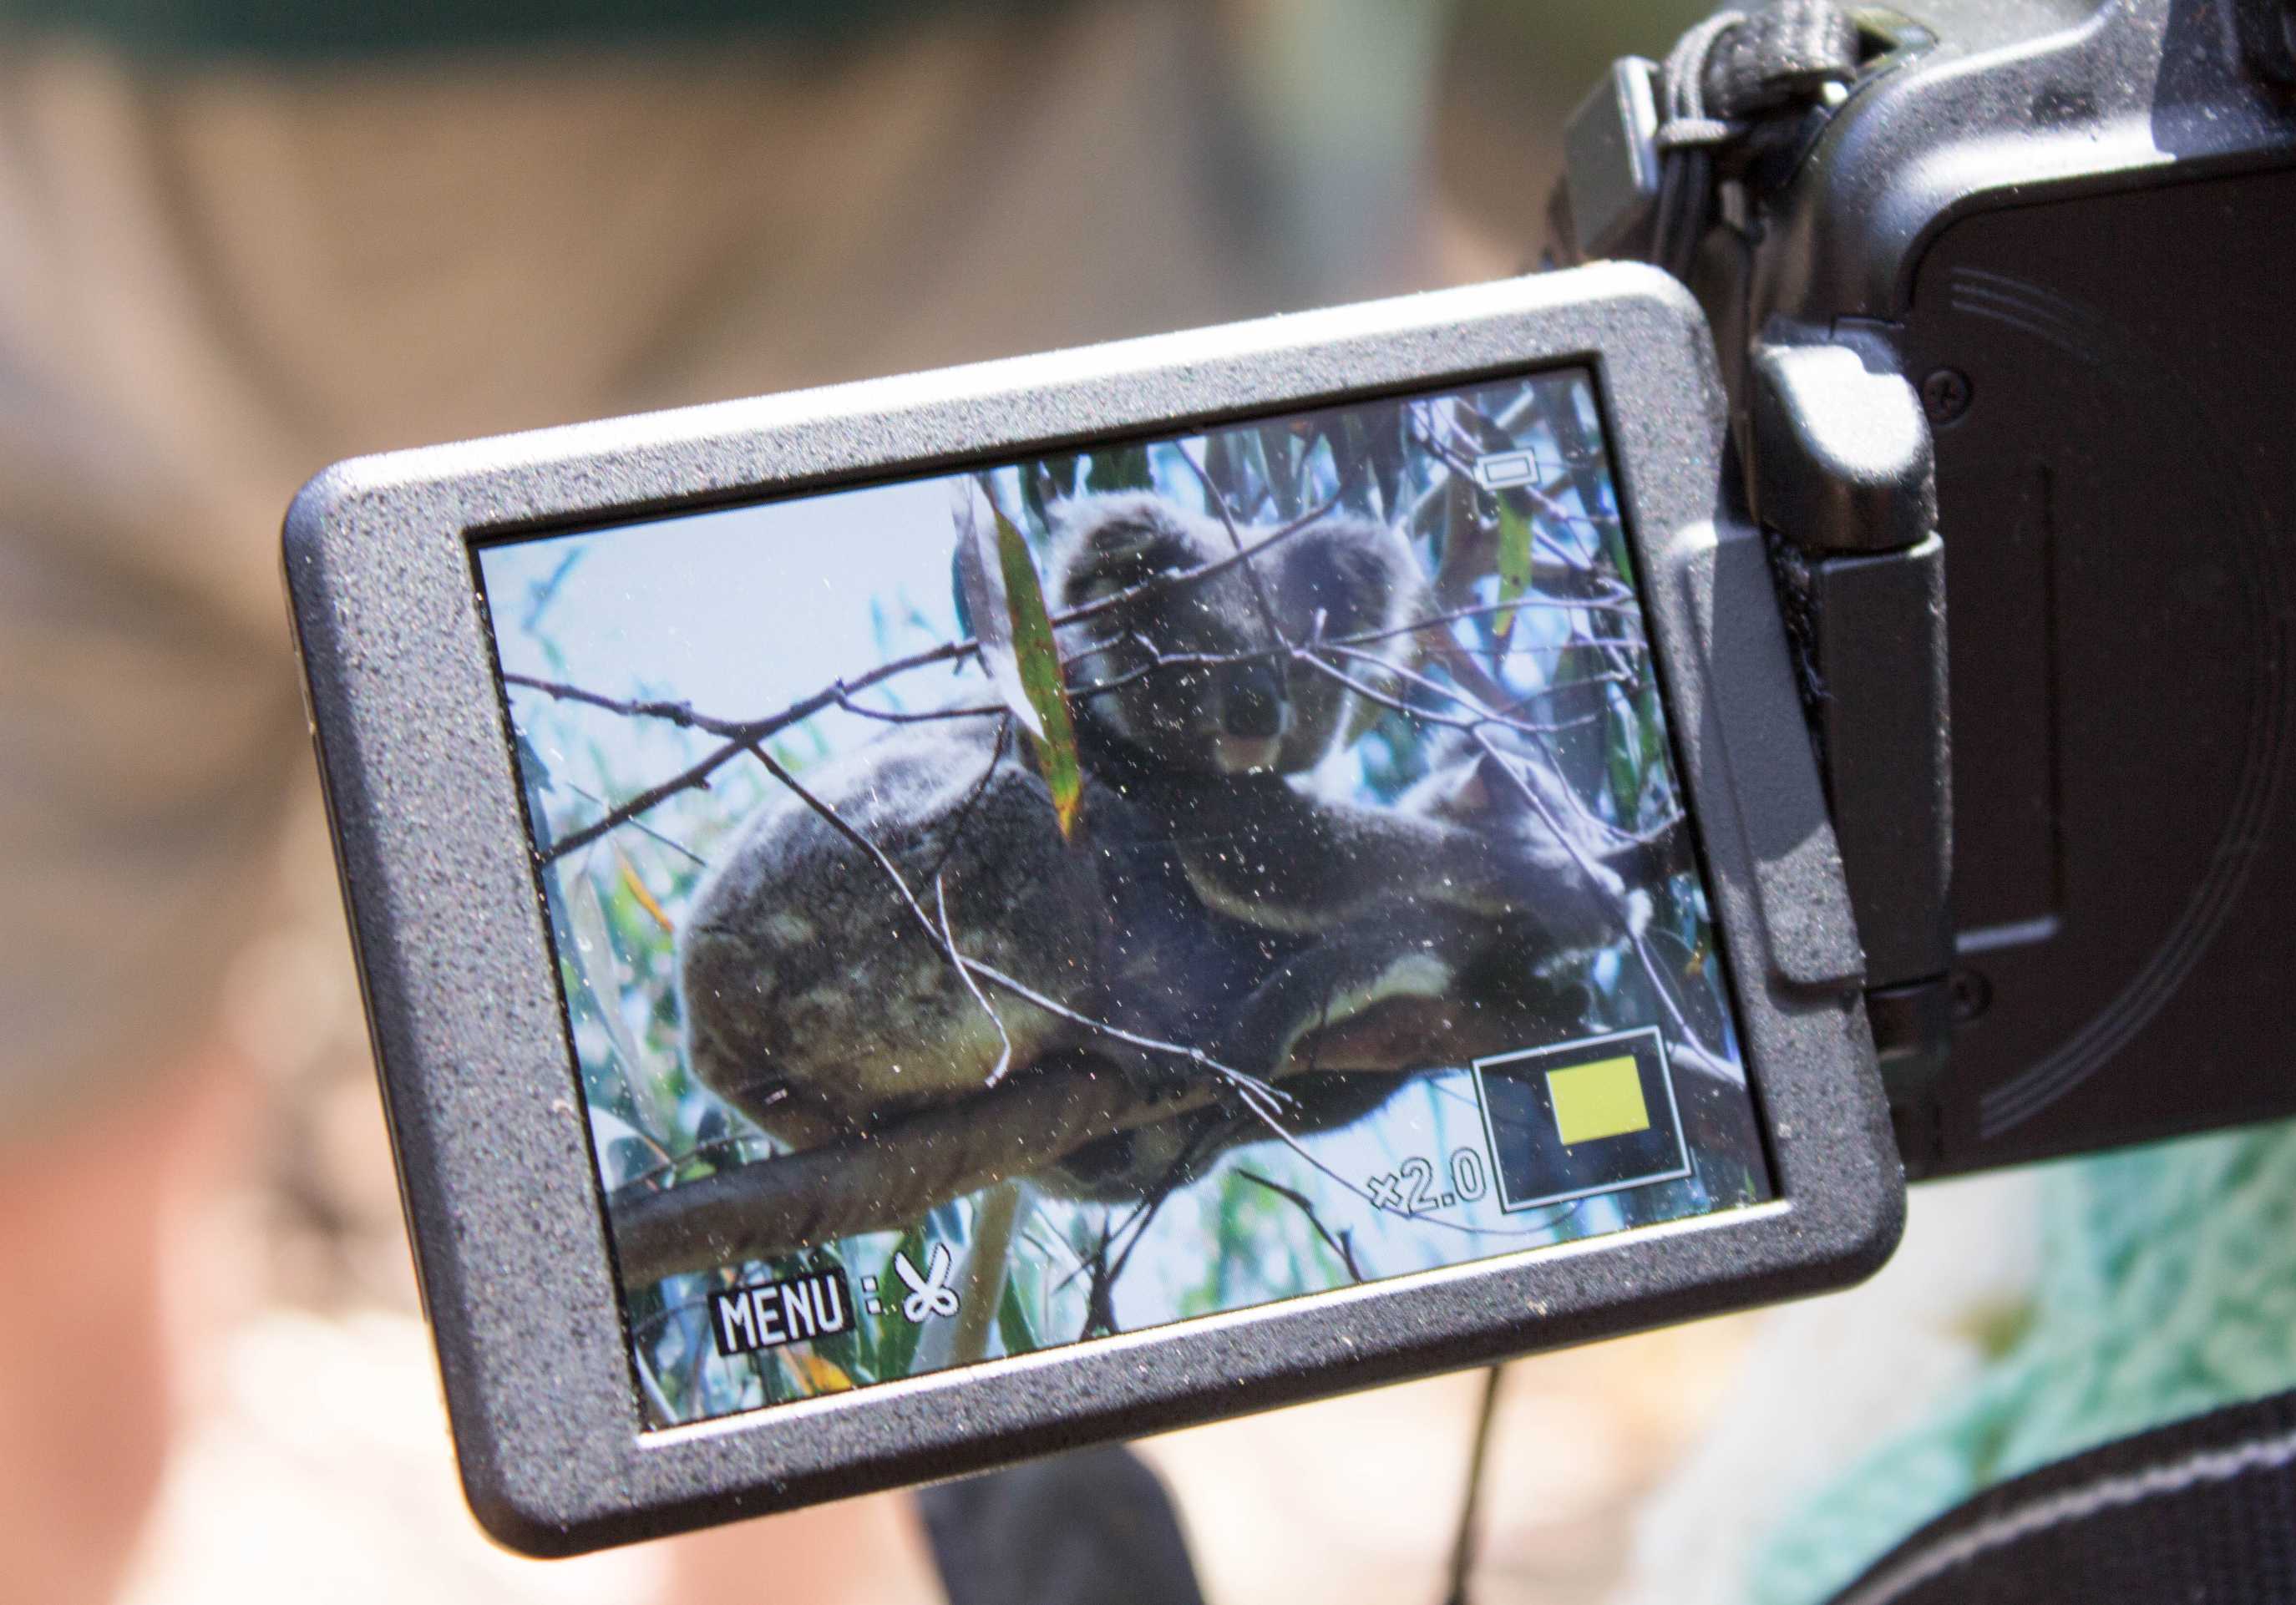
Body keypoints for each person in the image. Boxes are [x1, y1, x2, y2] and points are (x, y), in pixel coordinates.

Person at [0, 3, 1448, 1600]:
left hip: (901, 117)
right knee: (42, 1214)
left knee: (825, 1439)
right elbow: (1275, 843)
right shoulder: (1122, 688)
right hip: (101, 174)